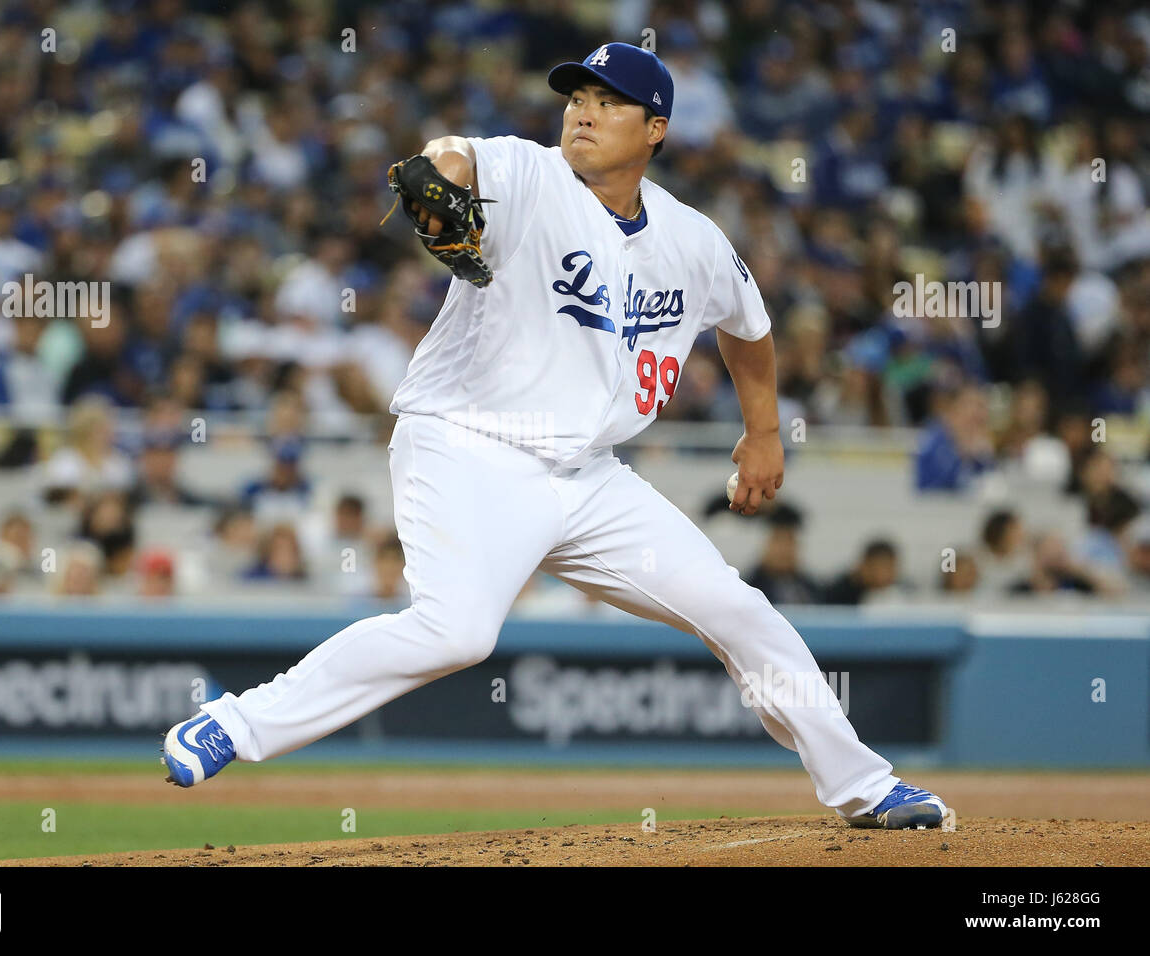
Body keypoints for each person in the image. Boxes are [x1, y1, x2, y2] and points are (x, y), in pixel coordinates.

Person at [162, 43, 949, 830]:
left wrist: (765, 429)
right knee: (456, 632)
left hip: (588, 475)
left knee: (739, 609)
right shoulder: (530, 176)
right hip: (468, 445)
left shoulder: (694, 239)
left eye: (609, 101)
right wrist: (444, 177)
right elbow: (452, 157)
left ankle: (865, 787)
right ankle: (233, 724)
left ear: (657, 128)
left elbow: (750, 328)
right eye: (578, 95)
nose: (584, 109)